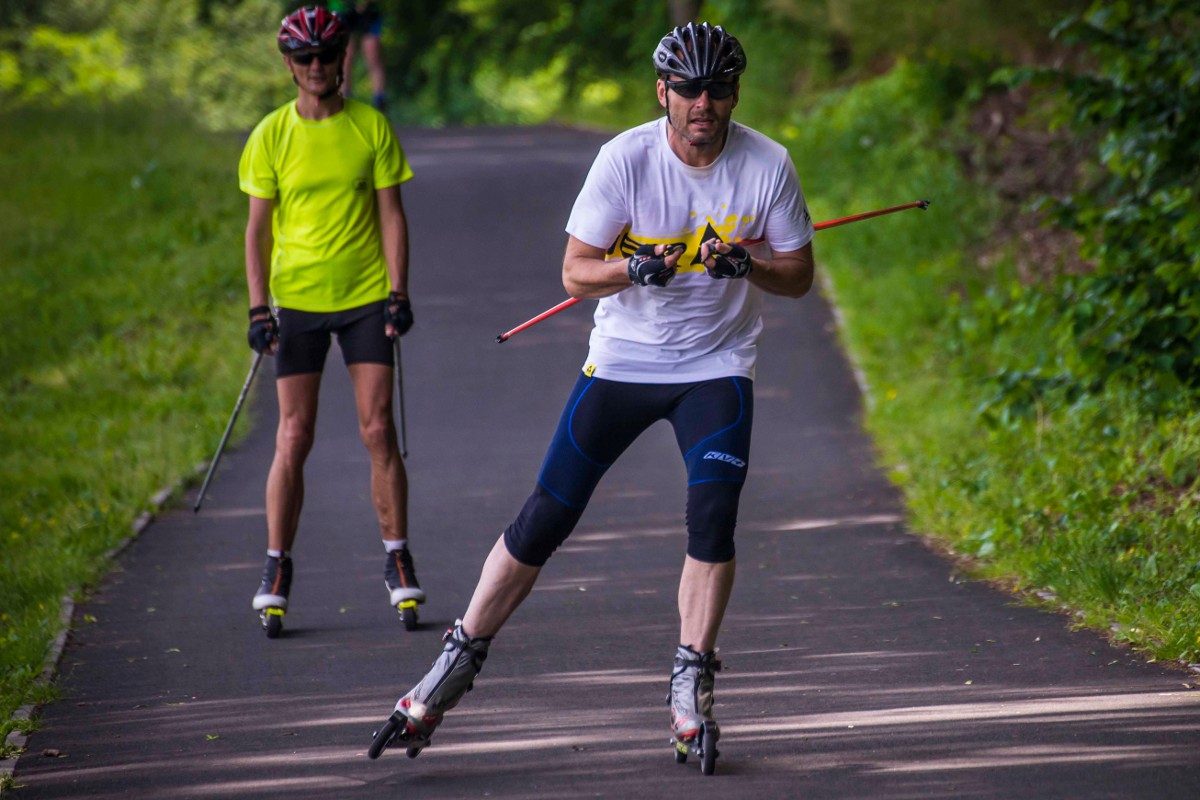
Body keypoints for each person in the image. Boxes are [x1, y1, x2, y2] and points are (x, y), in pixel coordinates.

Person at [368, 22, 816, 771]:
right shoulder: (626, 159)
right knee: (547, 515)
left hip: (717, 364)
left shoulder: (767, 164)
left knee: (713, 517)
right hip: (624, 362)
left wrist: (749, 266)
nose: (702, 103)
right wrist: (633, 269)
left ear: (735, 92)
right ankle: (450, 669)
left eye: (717, 88)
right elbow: (576, 271)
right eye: (687, 89)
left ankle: (690, 684)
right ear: (661, 92)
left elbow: (798, 274)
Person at [238, 6, 423, 637]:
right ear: (288, 64)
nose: (317, 67)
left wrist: (399, 291)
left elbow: (392, 215)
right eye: (304, 57)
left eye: (327, 55)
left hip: (366, 296)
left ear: (343, 57)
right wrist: (259, 306)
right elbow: (257, 231)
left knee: (378, 430)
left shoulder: (371, 127)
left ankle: (397, 556)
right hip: (300, 303)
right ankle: (276, 567)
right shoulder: (270, 136)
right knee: (295, 434)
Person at [328, 1, 388, 112]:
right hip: (343, 9)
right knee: (346, 55)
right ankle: (344, 99)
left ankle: (379, 100)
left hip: (369, 9)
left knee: (373, 54)